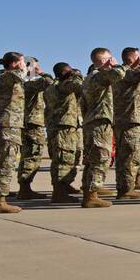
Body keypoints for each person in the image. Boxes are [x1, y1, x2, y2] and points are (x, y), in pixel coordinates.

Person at [79, 48, 126, 208]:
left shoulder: (90, 77)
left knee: (92, 160)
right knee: (100, 159)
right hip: (99, 123)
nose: (112, 60)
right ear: (104, 61)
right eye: (109, 58)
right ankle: (91, 195)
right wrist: (116, 65)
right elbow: (119, 74)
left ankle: (89, 193)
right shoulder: (99, 76)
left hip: (92, 122)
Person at [112, 47, 140, 200]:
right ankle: (126, 190)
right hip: (130, 120)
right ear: (132, 59)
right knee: (130, 156)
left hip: (125, 119)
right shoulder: (128, 73)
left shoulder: (121, 73)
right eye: (138, 57)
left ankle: (126, 187)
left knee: (126, 155)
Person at [0, 51, 27, 214]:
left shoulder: (7, 80)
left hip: (4, 125)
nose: (25, 65)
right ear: (15, 64)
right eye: (22, 62)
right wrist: (24, 68)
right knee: (6, 163)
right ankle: (0, 202)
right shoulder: (5, 77)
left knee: (2, 162)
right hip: (7, 126)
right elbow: (21, 76)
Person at [44, 63, 84, 203]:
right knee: (63, 160)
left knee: (64, 159)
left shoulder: (51, 86)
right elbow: (79, 84)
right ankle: (59, 193)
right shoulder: (63, 86)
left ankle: (63, 187)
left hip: (59, 126)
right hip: (63, 127)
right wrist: (76, 74)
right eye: (69, 70)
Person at [18, 58, 54, 200]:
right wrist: (42, 72)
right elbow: (49, 82)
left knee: (29, 155)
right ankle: (25, 189)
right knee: (32, 155)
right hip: (32, 123)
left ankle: (24, 188)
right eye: (35, 66)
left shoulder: (24, 83)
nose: (37, 69)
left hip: (30, 122)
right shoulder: (28, 84)